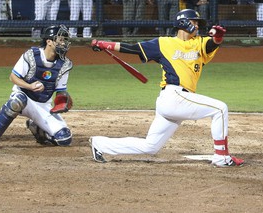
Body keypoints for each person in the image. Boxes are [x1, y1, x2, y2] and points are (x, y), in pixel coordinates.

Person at [88, 9, 244, 167]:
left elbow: (212, 44)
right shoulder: (163, 43)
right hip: (173, 96)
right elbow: (133, 48)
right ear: (182, 23)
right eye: (194, 22)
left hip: (178, 101)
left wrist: (218, 36)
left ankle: (100, 144)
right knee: (220, 109)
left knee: (151, 146)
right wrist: (103, 44)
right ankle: (222, 157)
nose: (197, 26)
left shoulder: (199, 43)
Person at [0, 25, 74, 149]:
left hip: (43, 105)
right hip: (24, 98)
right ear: (49, 41)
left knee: (65, 138)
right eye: (60, 39)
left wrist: (63, 99)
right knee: (17, 101)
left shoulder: (64, 64)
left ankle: (37, 128)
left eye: (64, 40)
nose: (63, 43)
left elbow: (60, 91)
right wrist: (29, 86)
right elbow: (13, 77)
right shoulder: (32, 55)